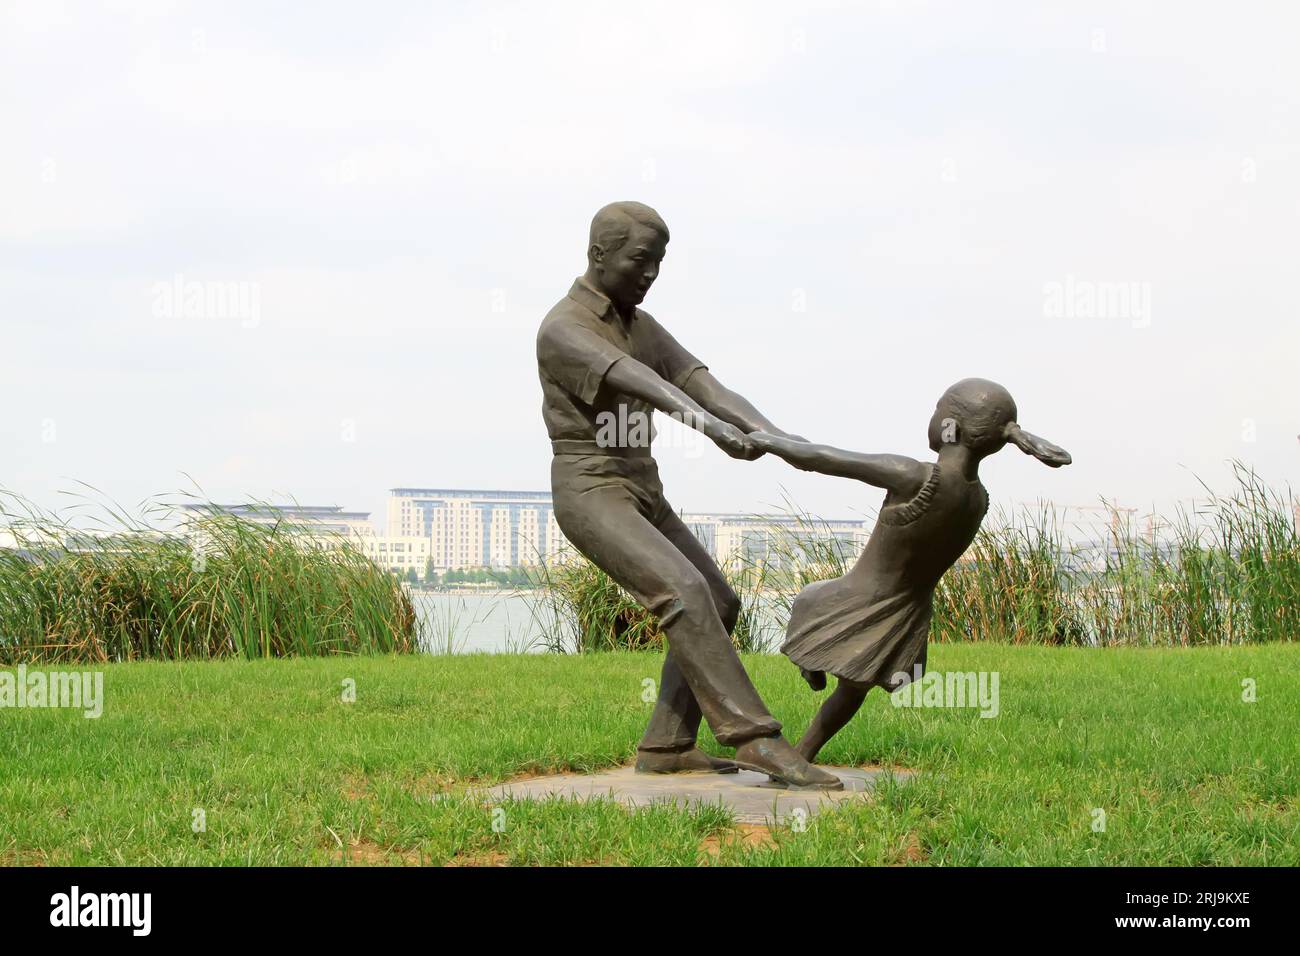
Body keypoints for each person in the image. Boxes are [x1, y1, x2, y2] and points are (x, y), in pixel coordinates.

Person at [536, 201, 842, 789]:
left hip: (642, 486)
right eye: (640, 260)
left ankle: (668, 745)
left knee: (719, 602)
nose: (650, 274)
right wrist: (709, 427)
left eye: (659, 263)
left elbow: (700, 382)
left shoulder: (639, 323)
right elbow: (637, 378)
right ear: (599, 254)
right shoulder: (564, 328)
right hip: (590, 488)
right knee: (681, 590)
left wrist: (775, 436)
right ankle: (755, 738)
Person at [748, 378, 1071, 761]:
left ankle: (810, 664)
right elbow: (815, 452)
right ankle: (804, 752)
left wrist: (764, 439)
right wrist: (786, 439)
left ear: (950, 426)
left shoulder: (913, 475)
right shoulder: (977, 499)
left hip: (859, 594)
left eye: (937, 410)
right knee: (853, 689)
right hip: (909, 612)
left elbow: (822, 458)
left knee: (806, 600)